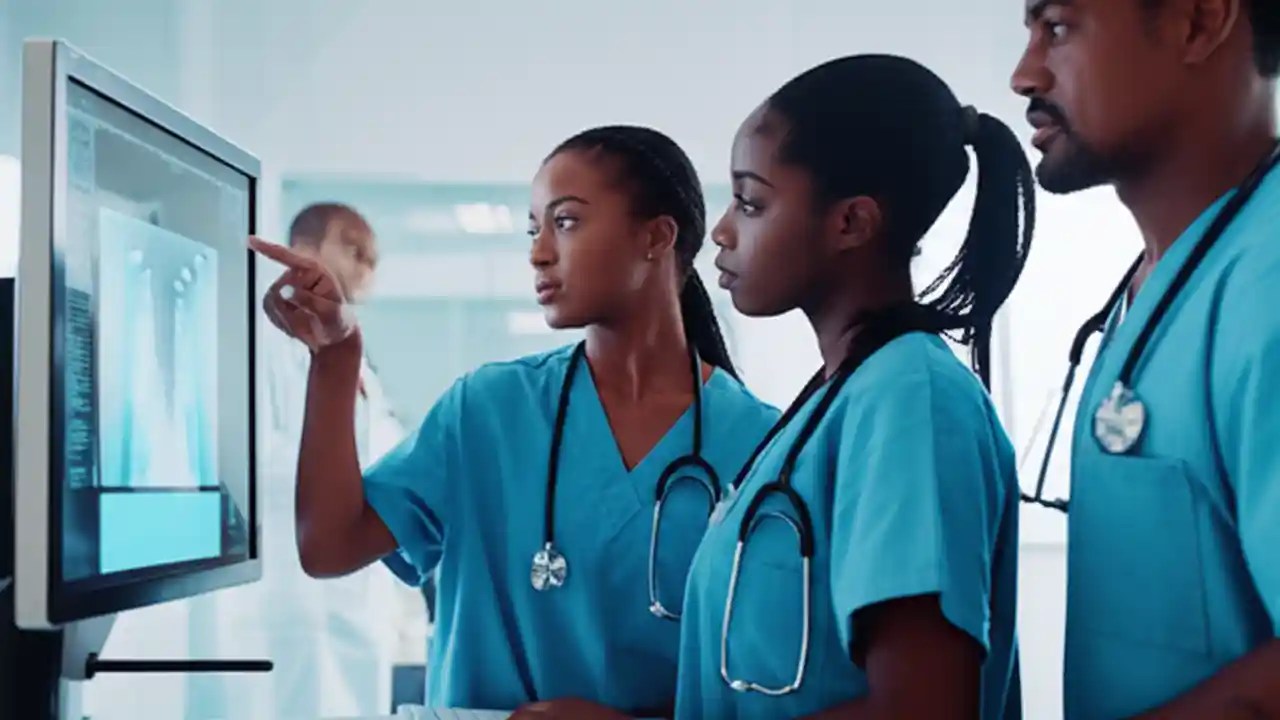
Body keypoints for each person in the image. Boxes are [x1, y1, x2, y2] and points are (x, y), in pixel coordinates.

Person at [250, 125, 779, 718]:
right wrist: (335, 357)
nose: (539, 252)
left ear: (656, 236)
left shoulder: (762, 444)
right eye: (534, 229)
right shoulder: (487, 411)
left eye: (567, 222)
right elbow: (328, 546)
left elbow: (773, 687)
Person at [674, 55, 1034, 720]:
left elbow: (921, 709)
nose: (722, 231)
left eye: (751, 202)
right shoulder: (838, 398)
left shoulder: (910, 399)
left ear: (851, 223)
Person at [1011, 0, 1280, 717]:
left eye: (1058, 28)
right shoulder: (1175, 279)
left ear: (1197, 22)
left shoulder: (1268, 276)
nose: (1024, 73)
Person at [191, 202, 407, 720]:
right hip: (287, 598)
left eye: (374, 258)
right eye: (354, 250)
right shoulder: (263, 340)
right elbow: (243, 463)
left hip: (352, 595)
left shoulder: (351, 353)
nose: (367, 269)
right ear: (304, 250)